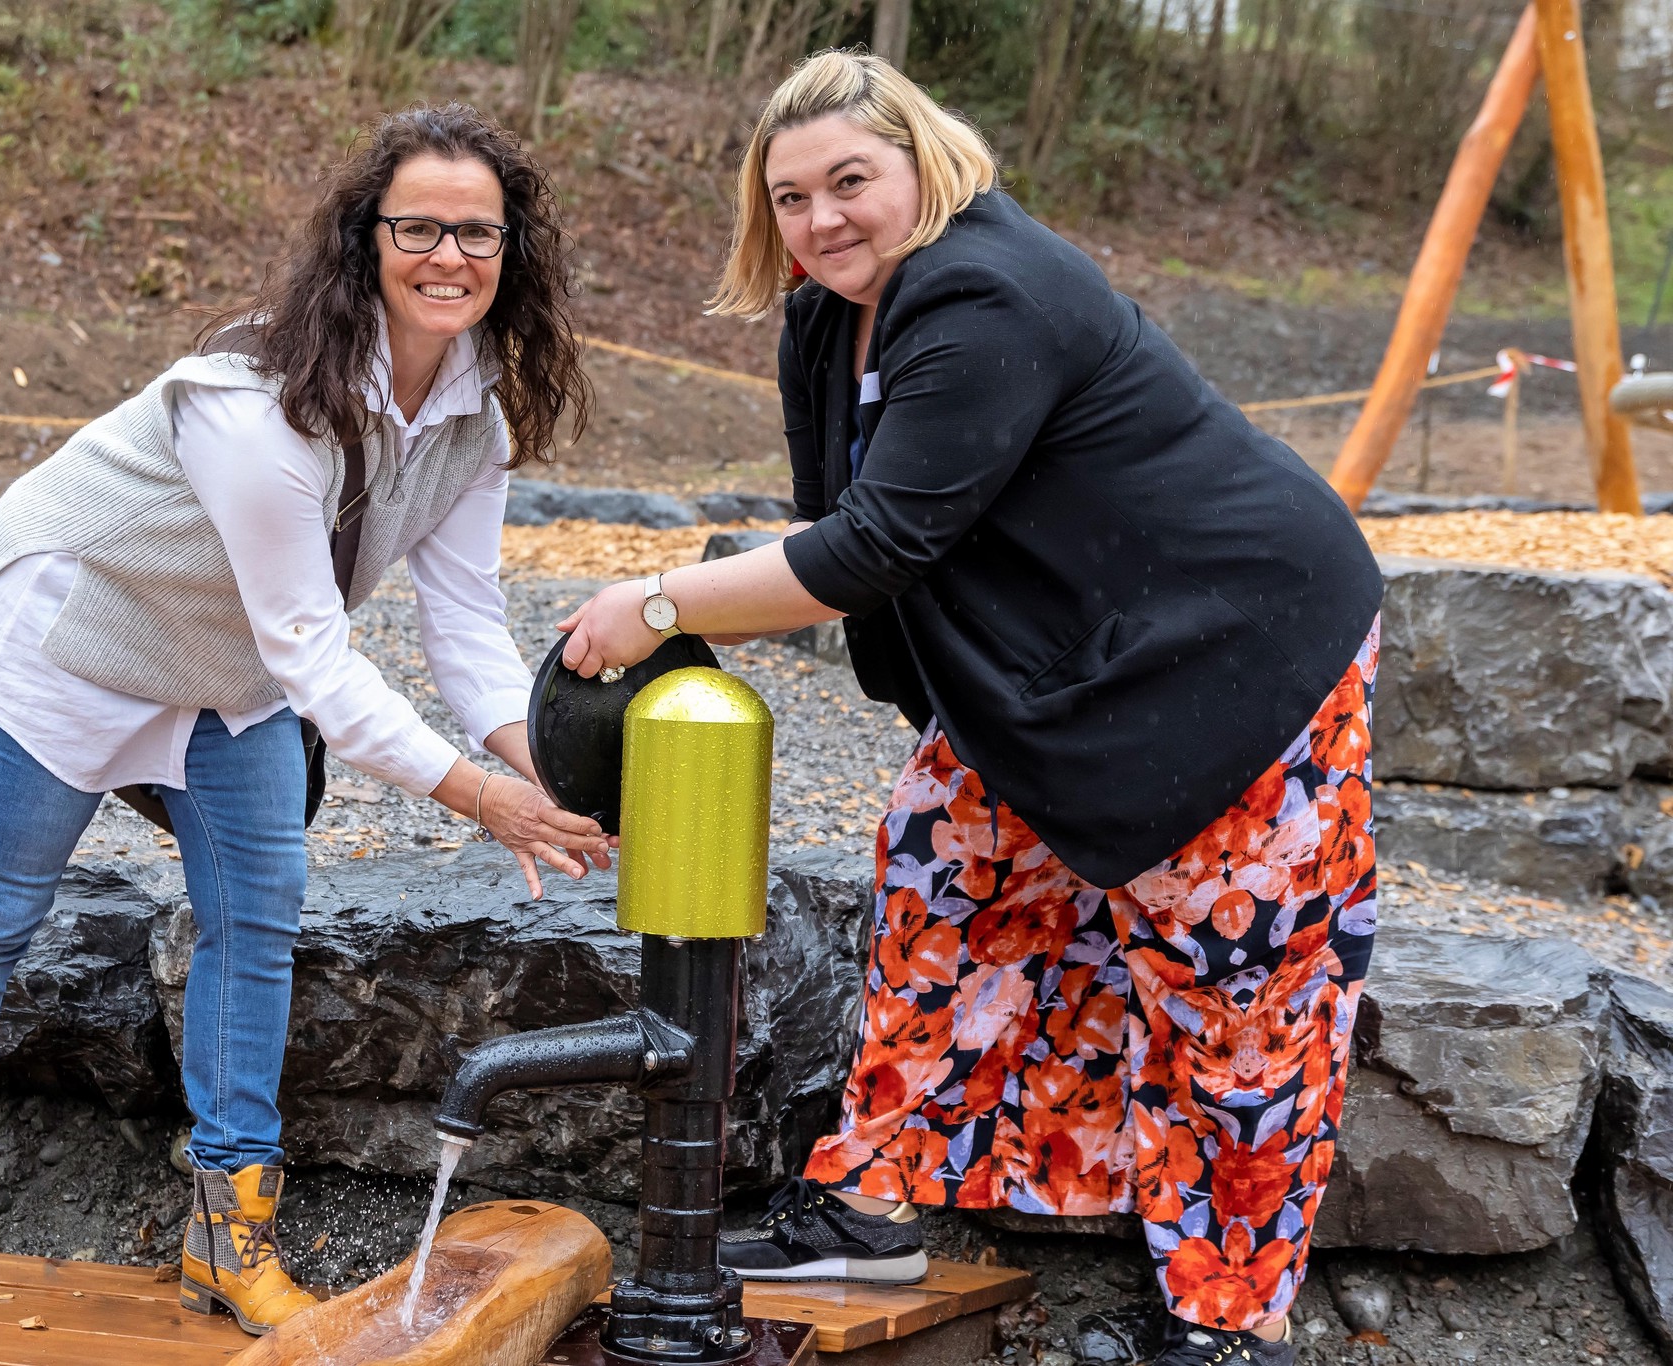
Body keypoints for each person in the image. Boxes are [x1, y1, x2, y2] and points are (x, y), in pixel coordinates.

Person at [558, 51, 1382, 1366]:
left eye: (850, 181)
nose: (823, 219)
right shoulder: (834, 314)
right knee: (945, 870)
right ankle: (869, 1201)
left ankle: (1230, 1325)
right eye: (791, 197)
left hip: (1238, 642)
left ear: (922, 166)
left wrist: (662, 604)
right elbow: (859, 521)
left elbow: (876, 543)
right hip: (1073, 663)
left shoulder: (986, 290)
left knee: (1230, 975)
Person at [0, 103, 610, 1344]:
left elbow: (466, 628)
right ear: (366, 239)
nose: (447, 256)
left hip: (233, 678)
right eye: (416, 226)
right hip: (74, 639)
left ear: (511, 250)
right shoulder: (257, 400)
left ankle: (229, 1234)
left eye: (477, 232)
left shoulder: (480, 420)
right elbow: (313, 644)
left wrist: (548, 776)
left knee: (255, 930)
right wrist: (474, 798)